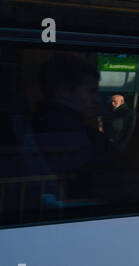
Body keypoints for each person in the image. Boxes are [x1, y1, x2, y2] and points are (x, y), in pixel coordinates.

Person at [32, 55, 113, 200]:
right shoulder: (84, 137)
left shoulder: (30, 126)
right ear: (63, 92)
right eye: (91, 91)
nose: (97, 99)